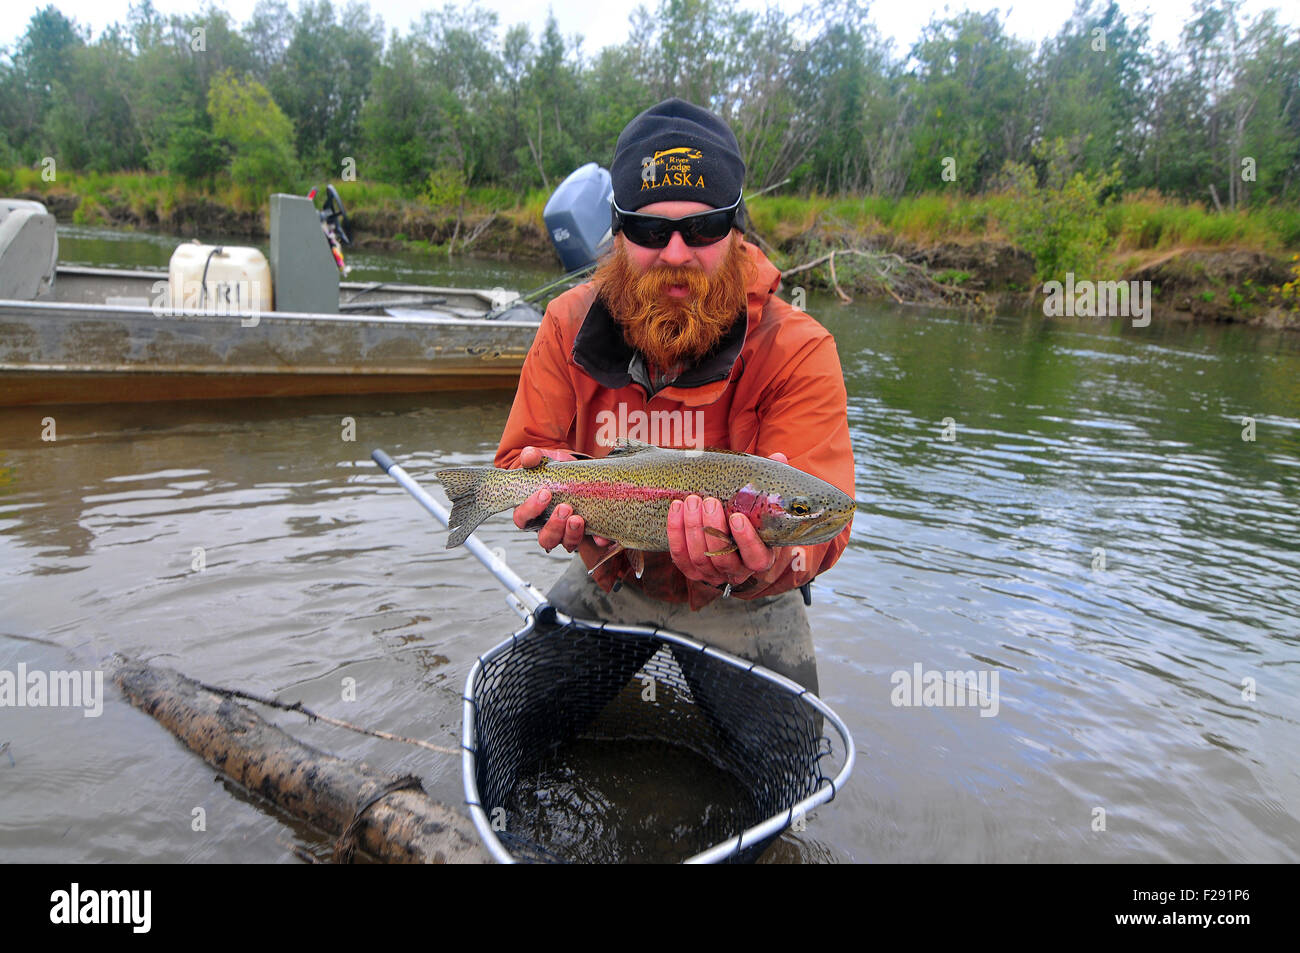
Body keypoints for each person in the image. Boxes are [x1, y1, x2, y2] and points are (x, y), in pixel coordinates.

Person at [494, 98, 854, 694]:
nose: (677, 253)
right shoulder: (565, 323)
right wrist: (541, 493)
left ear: (737, 233)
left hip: (749, 599)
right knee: (519, 709)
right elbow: (519, 461)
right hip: (613, 576)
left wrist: (762, 566)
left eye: (705, 227)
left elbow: (828, 522)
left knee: (792, 769)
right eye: (650, 229)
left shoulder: (800, 348)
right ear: (617, 233)